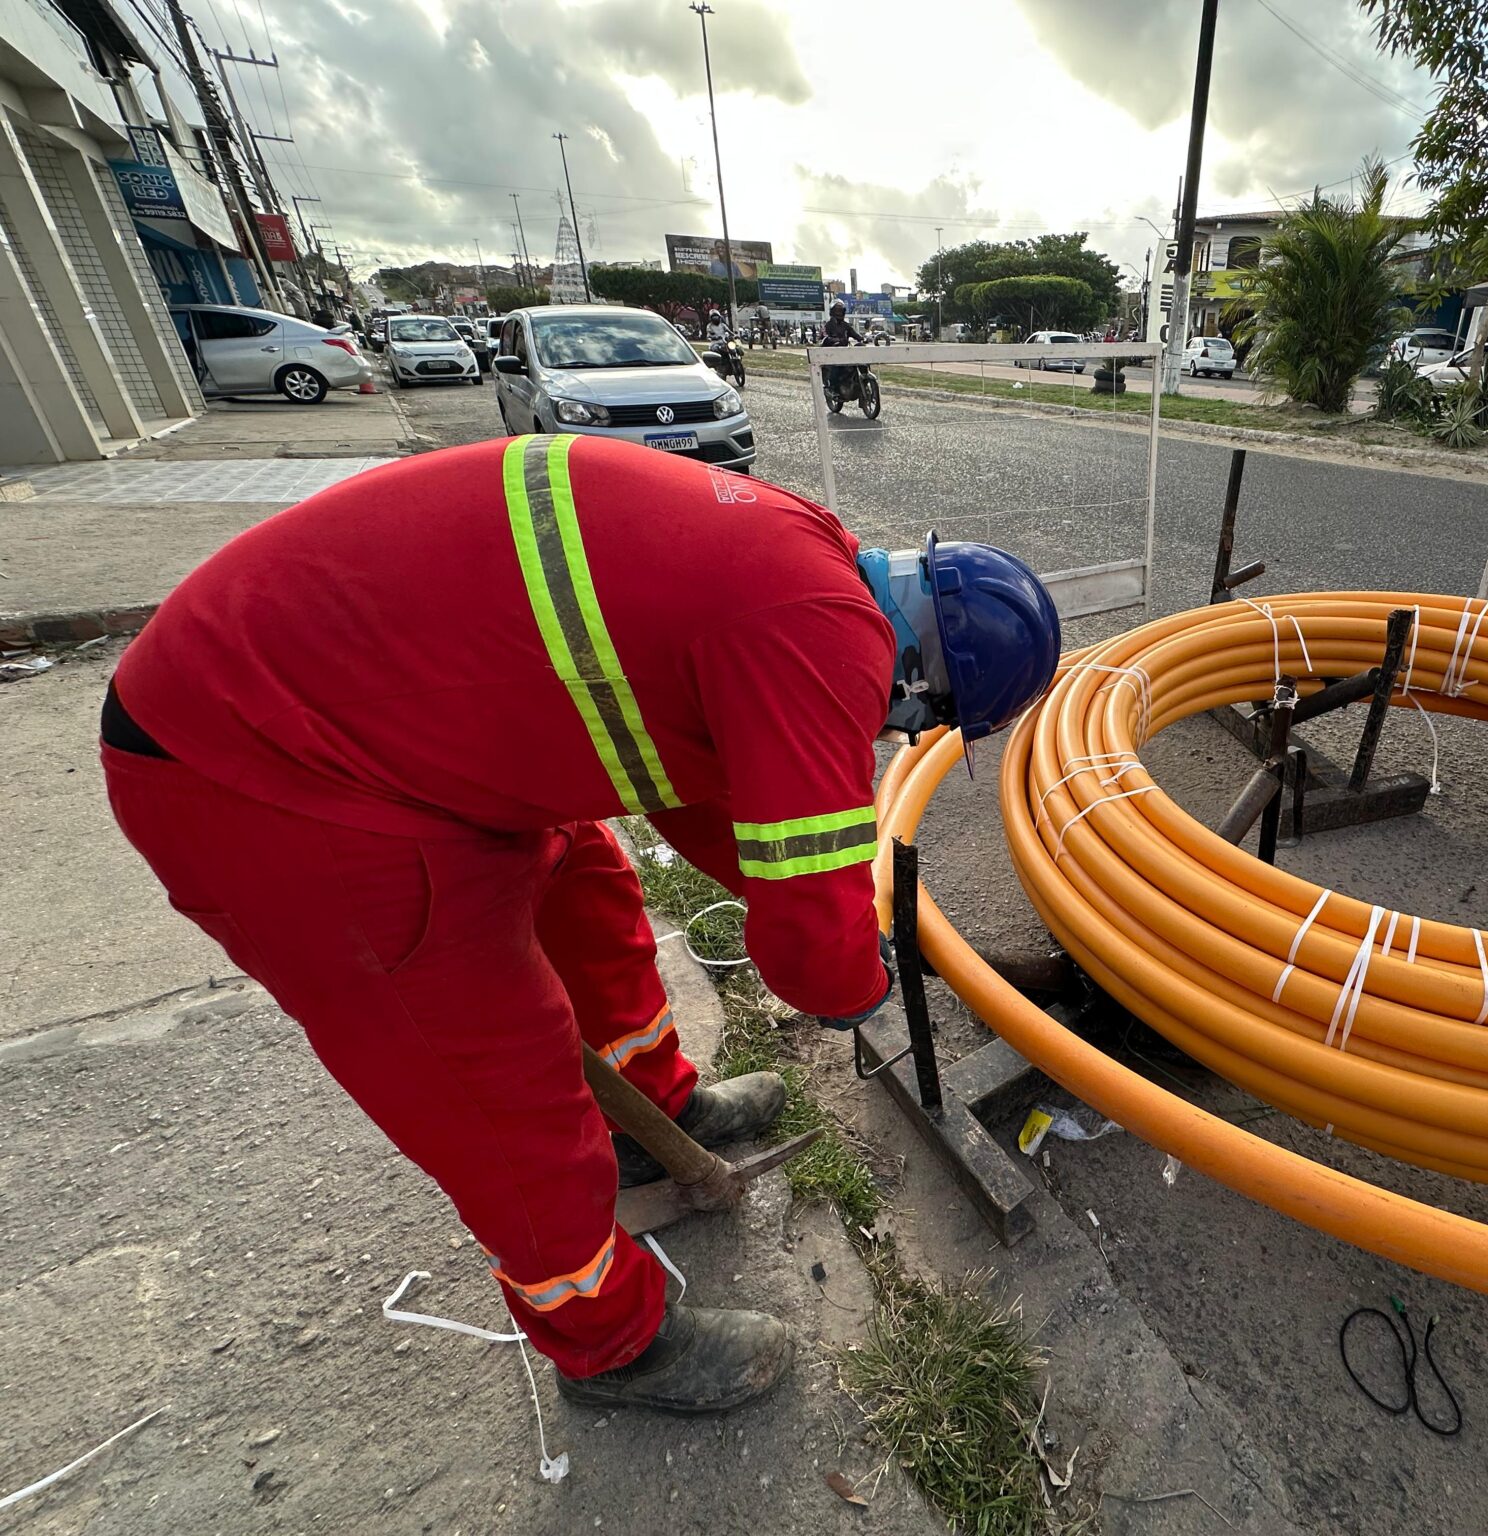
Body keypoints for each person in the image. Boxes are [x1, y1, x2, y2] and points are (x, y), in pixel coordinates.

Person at [101, 436, 1061, 1416]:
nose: (892, 733)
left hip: (386, 718)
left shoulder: (805, 555)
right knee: (495, 1080)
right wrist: (853, 978)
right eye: (911, 724)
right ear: (926, 686)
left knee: (588, 893)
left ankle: (653, 1119)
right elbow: (812, 951)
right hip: (262, 767)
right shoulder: (821, 636)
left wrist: (827, 920)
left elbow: (699, 793)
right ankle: (610, 1343)